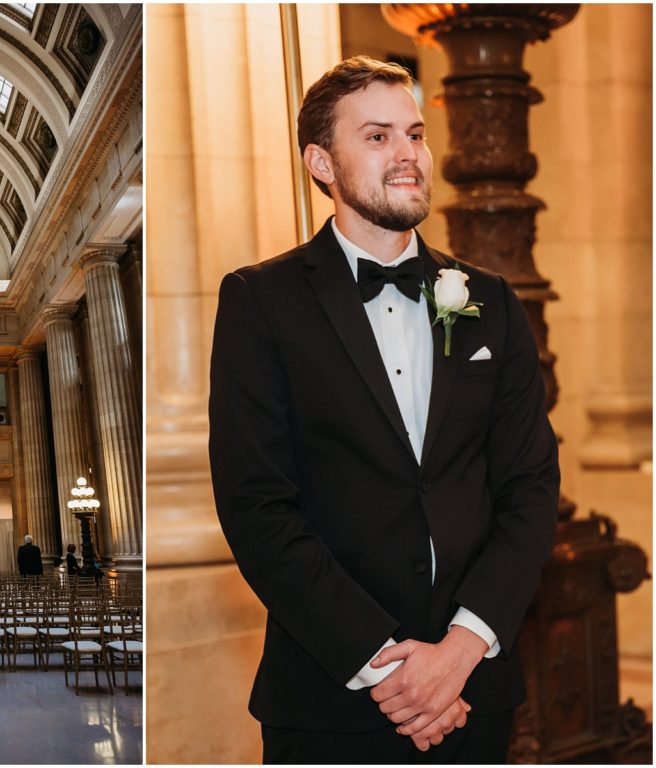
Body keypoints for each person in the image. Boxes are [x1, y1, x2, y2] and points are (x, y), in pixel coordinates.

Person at [208, 56, 559, 764]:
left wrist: (460, 650)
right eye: (377, 137)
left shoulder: (490, 300)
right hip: (330, 698)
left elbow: (529, 488)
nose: (407, 155)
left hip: (475, 695)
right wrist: (389, 669)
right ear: (322, 161)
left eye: (415, 134)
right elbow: (257, 508)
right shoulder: (261, 302)